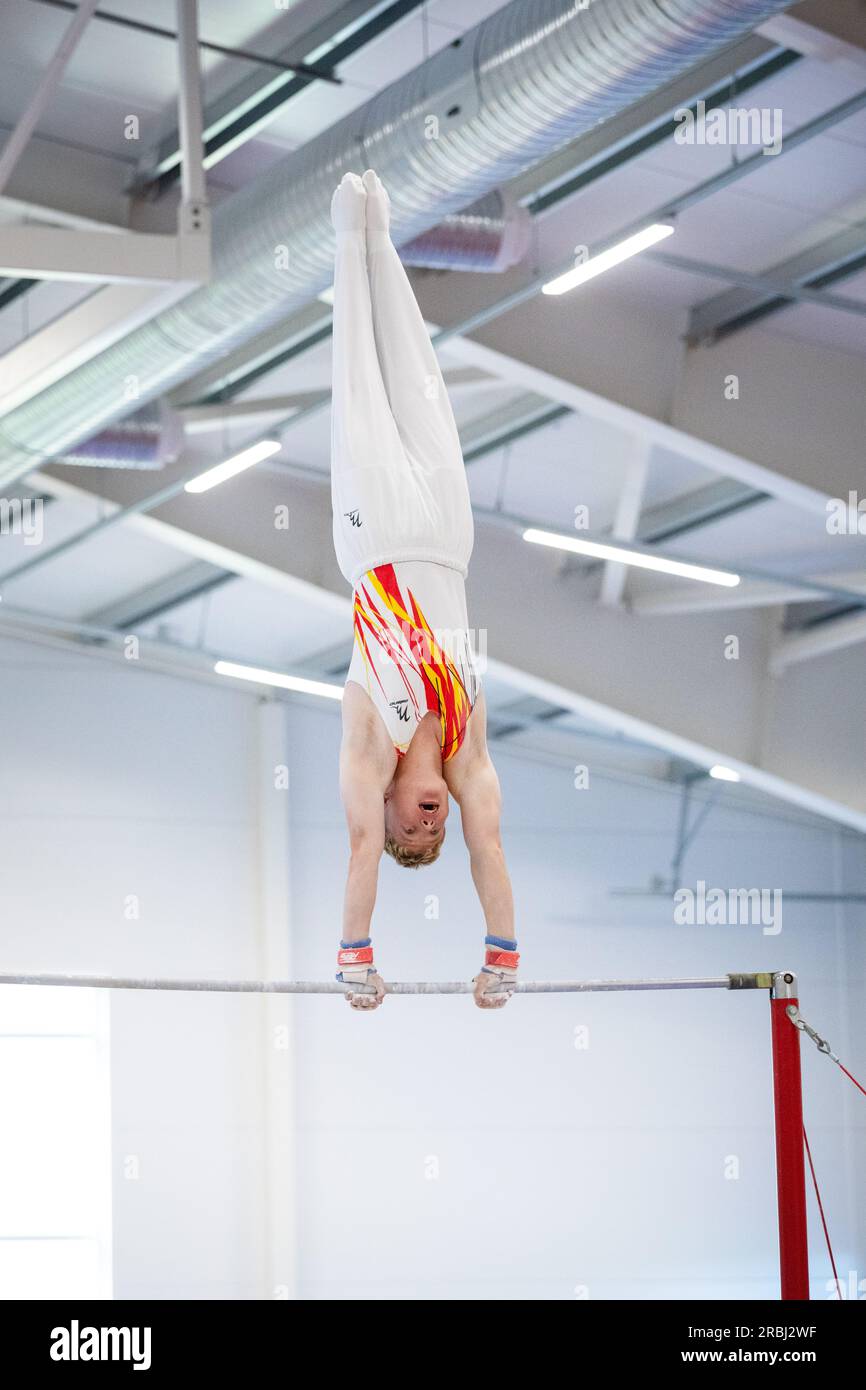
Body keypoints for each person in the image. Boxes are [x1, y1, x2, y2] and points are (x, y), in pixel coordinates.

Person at [330, 170, 518, 1013]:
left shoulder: (369, 740)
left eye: (416, 824)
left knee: (360, 384)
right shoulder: (471, 754)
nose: (430, 820)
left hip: (372, 540)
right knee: (418, 374)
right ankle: (383, 230)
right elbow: (491, 851)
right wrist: (501, 957)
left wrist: (356, 957)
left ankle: (348, 232)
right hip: (447, 540)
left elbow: (362, 843)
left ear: (391, 803)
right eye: (433, 828)